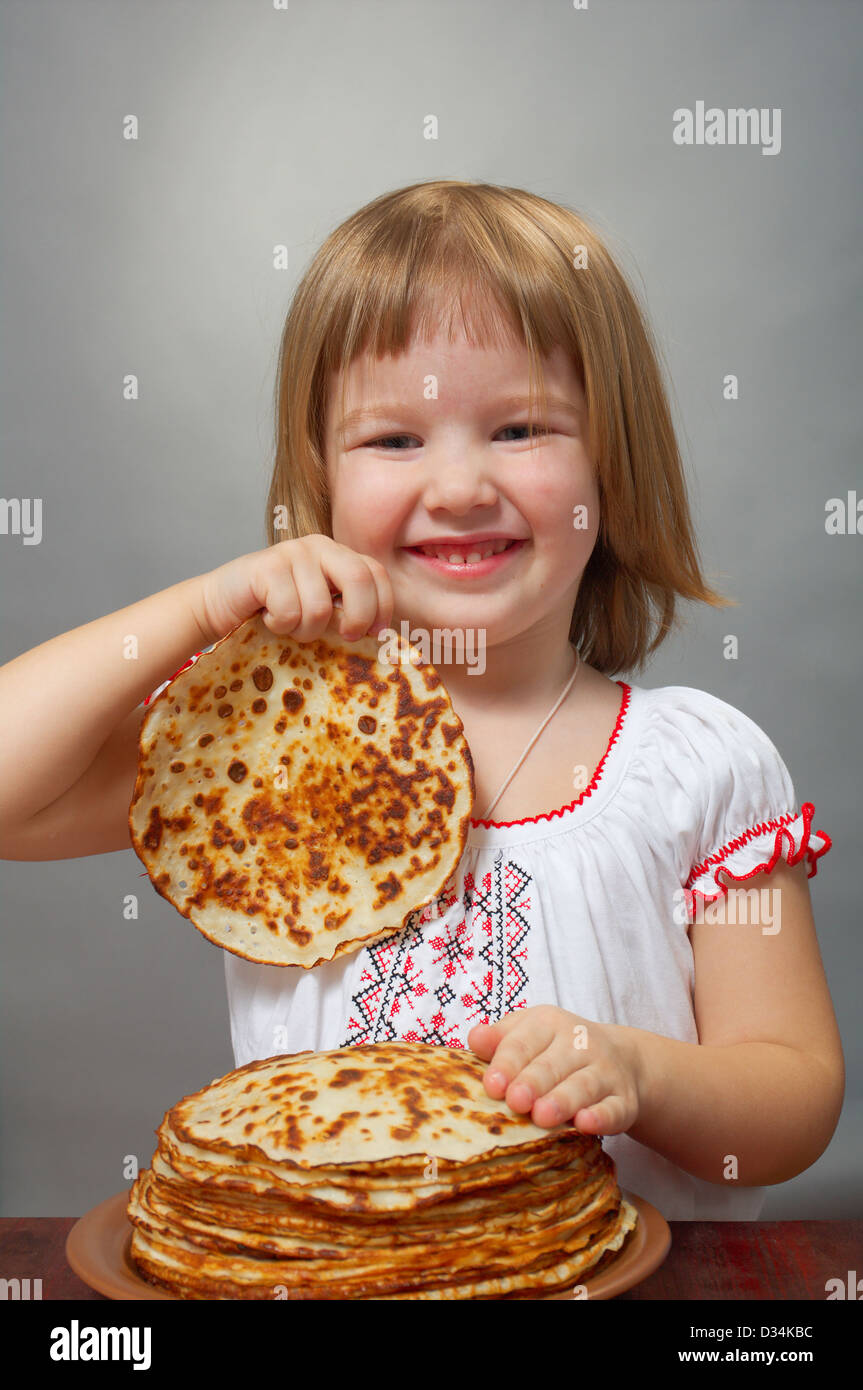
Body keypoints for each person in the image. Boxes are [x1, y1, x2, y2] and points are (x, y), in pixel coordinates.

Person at [0, 179, 843, 1221]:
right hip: (323, 1281)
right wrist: (194, 608)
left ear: (613, 464)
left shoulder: (697, 767)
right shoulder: (259, 752)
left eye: (520, 428)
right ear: (320, 475)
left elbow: (791, 1095)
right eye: (393, 440)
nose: (455, 486)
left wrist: (641, 1071)